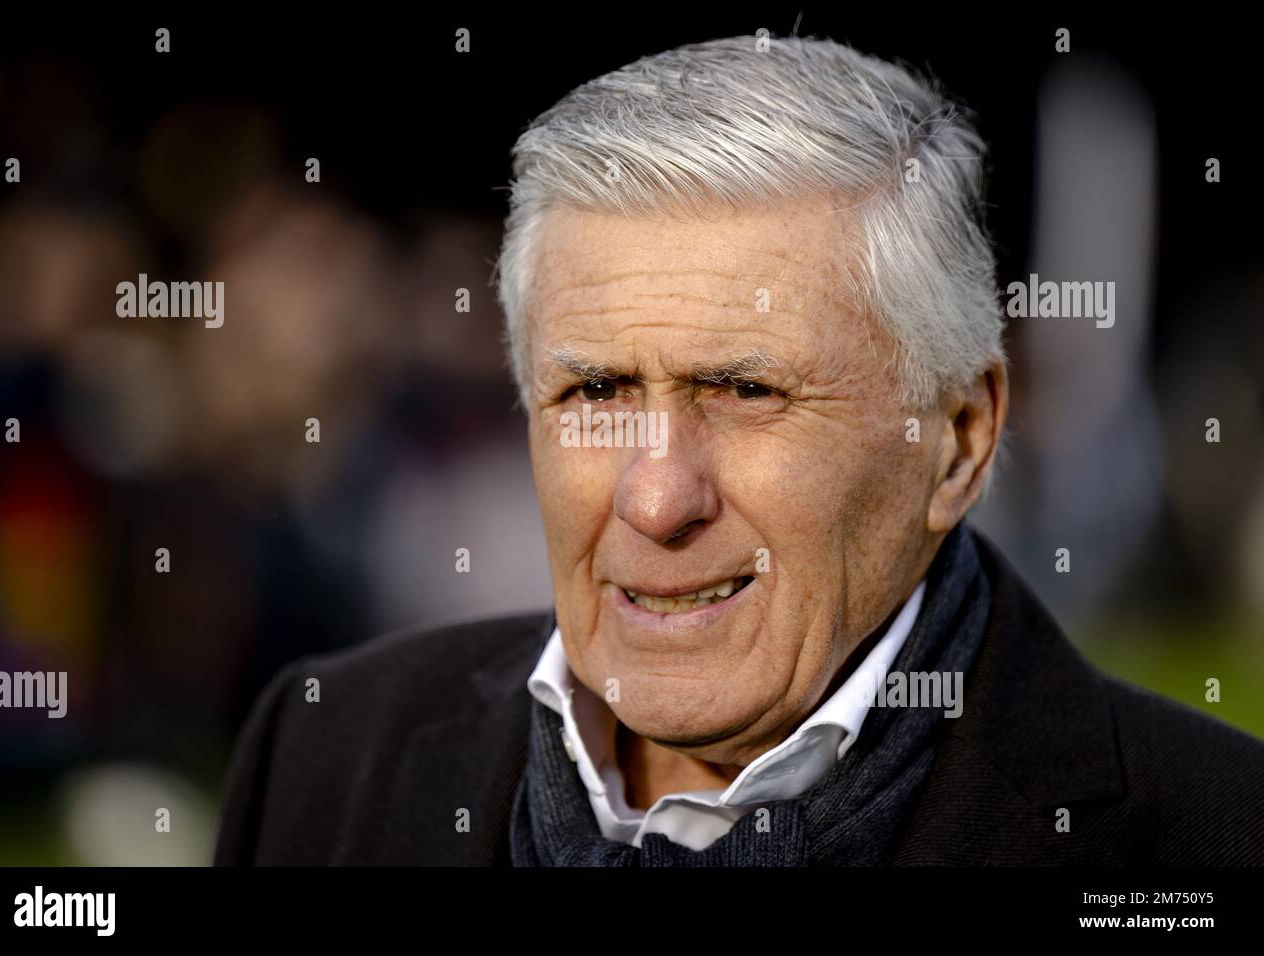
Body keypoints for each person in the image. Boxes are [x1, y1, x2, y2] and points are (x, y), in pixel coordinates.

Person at [213, 35, 1264, 866]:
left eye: (747, 390)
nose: (657, 495)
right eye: (595, 389)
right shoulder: (323, 754)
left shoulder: (1213, 834)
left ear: (958, 440)